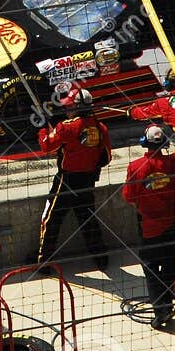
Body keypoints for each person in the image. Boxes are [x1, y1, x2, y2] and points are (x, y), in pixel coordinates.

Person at [122, 124, 175, 329]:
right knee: (170, 263)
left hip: (149, 227)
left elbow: (129, 197)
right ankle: (166, 303)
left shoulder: (135, 167)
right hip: (173, 224)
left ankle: (161, 309)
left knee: (150, 267)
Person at [34, 86, 113, 270]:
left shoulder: (66, 127)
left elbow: (46, 146)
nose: (67, 110)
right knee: (88, 219)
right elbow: (107, 158)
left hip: (66, 182)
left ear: (77, 108)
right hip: (88, 180)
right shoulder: (101, 128)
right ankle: (101, 258)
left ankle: (43, 262)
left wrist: (43, 129)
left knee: (51, 220)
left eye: (69, 107)